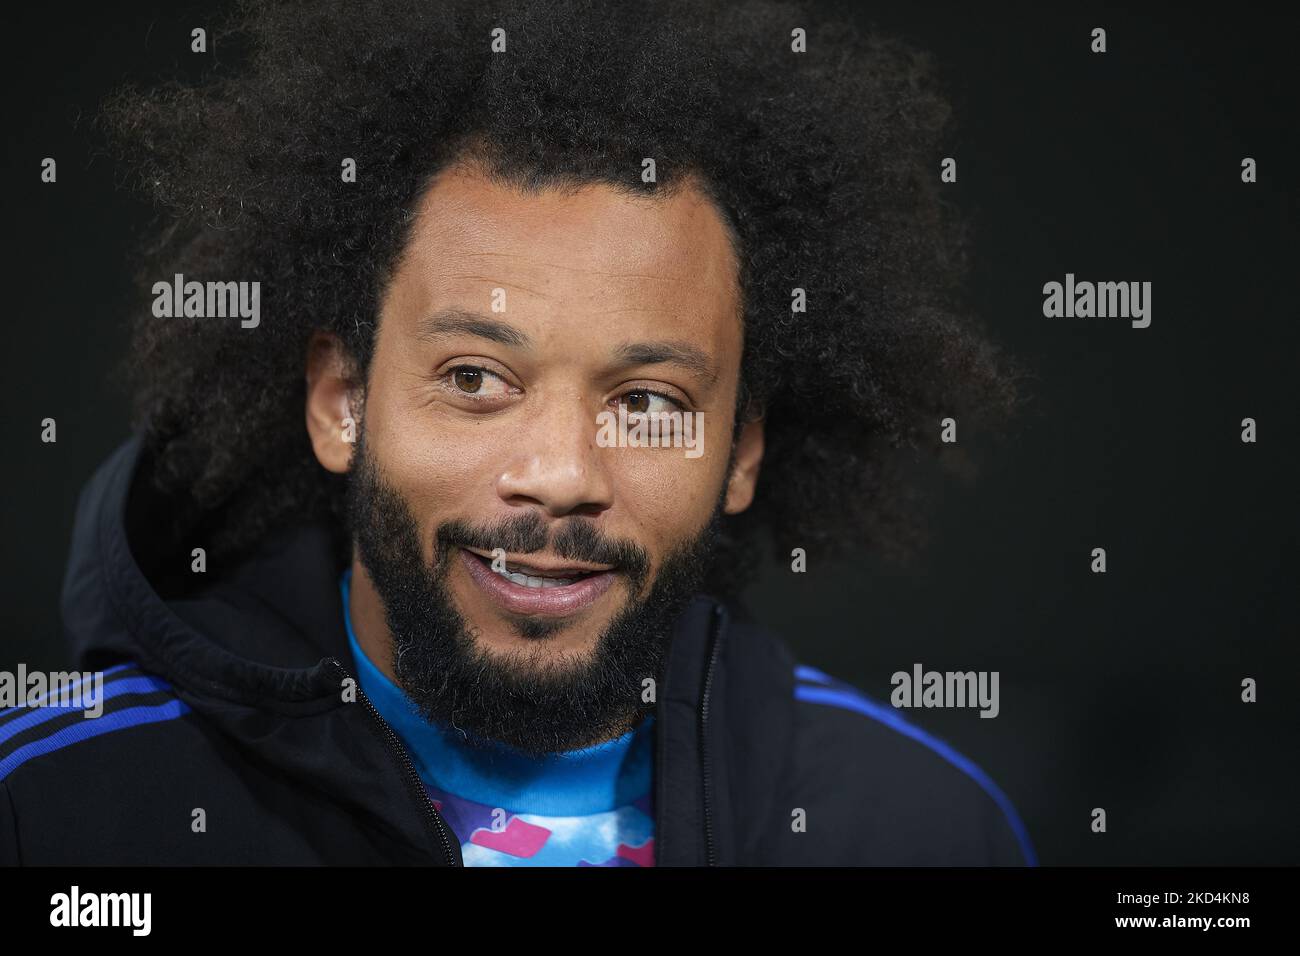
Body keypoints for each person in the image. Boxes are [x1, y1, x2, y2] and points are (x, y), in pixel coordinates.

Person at [0, 0, 1032, 866]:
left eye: (650, 402)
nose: (559, 475)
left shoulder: (925, 826)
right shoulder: (58, 810)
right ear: (338, 402)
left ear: (741, 453)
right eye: (476, 378)